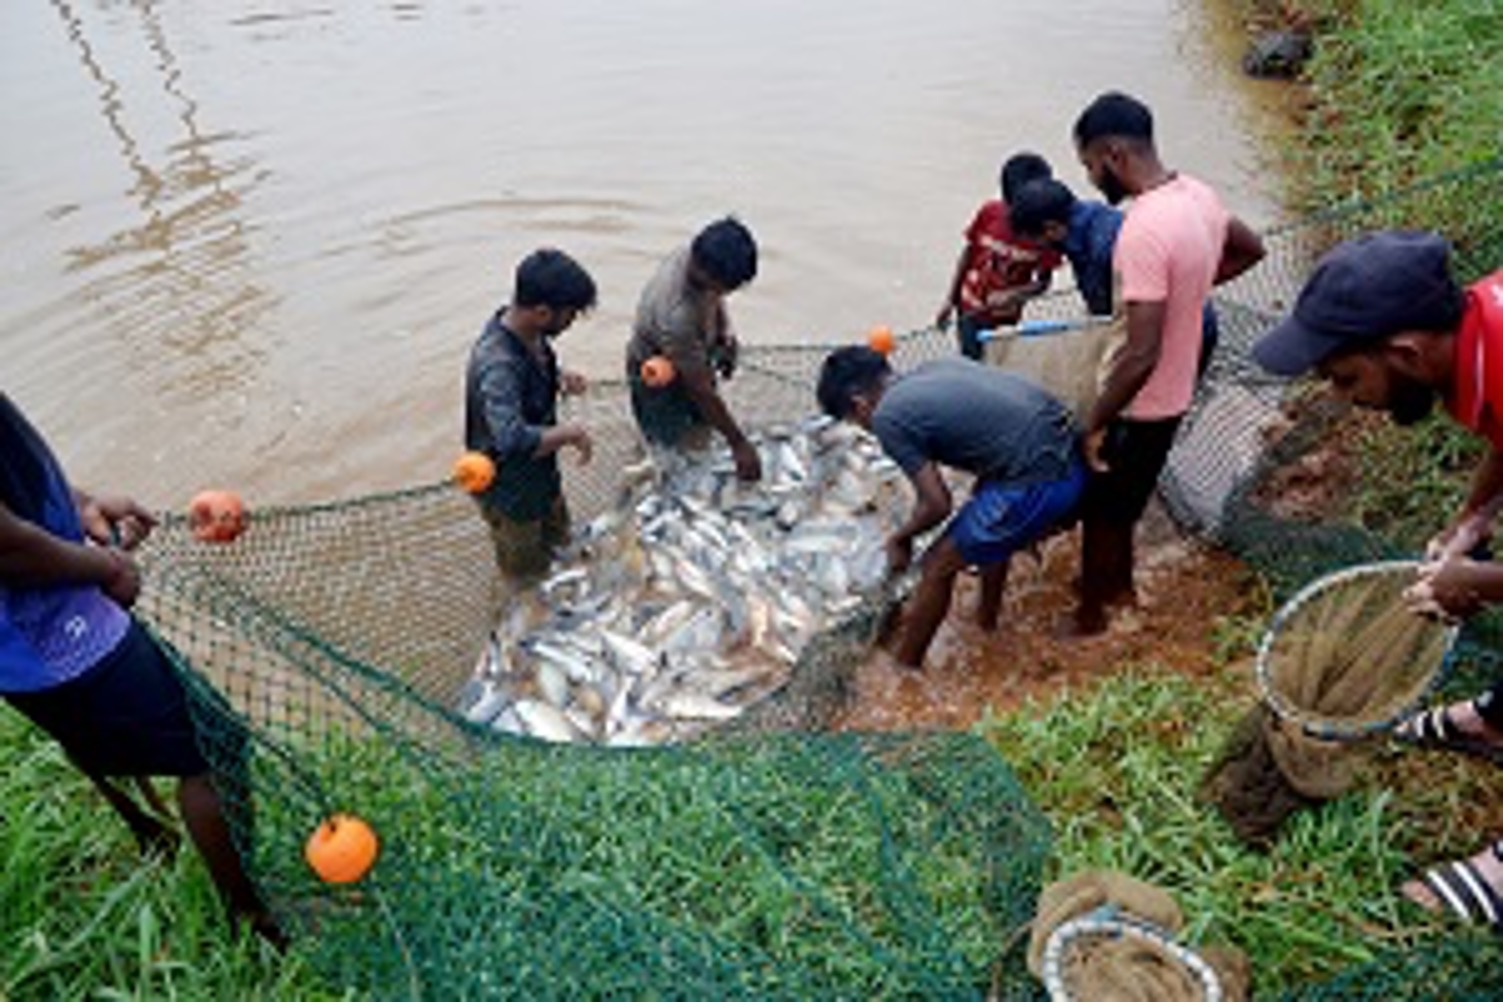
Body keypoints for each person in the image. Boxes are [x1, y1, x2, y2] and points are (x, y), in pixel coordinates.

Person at [1252, 229, 1502, 927]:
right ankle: (1496, 722)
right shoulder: (1470, 334)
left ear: (1406, 354)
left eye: (1344, 379)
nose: (1342, 399)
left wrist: (1477, 583)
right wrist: (1470, 525)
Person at [0, 392, 281, 946]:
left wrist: (80, 504)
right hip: (48, 637)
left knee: (97, 731)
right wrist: (104, 566)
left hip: (46, 630)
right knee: (212, 745)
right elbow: (6, 546)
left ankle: (151, 835)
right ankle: (255, 923)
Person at [1064, 91, 1266, 636]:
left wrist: (1096, 419)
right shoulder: (1197, 195)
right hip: (1178, 392)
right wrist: (1190, 294)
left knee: (1101, 513)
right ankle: (1123, 595)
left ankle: (1090, 623)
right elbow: (1252, 248)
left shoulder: (1143, 230)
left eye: (1088, 165)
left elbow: (1140, 353)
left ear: (1112, 154)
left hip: (1142, 403)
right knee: (1126, 505)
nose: (1090, 181)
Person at [815, 347, 1086, 668]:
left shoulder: (887, 417)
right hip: (1069, 452)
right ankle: (986, 623)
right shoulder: (934, 367)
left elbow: (937, 504)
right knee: (983, 508)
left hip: (1045, 480)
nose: (864, 428)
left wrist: (900, 538)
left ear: (859, 405)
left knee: (937, 565)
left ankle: (905, 669)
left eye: (854, 421)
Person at [465, 248, 597, 585]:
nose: (570, 324)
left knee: (562, 547)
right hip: (510, 492)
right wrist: (569, 434)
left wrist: (558, 375)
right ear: (541, 312)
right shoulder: (497, 364)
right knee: (526, 578)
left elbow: (530, 367)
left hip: (542, 478)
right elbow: (510, 440)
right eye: (569, 316)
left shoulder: (526, 329)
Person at [1009, 176, 1222, 375]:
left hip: (1183, 332)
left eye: (1034, 240)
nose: (1037, 249)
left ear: (1052, 229)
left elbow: (1125, 319)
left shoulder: (1102, 250)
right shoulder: (1088, 218)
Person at [626, 217, 763, 482]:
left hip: (691, 355)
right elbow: (700, 388)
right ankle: (652, 478)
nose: (728, 293)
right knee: (667, 451)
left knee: (701, 431)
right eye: (728, 287)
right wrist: (739, 444)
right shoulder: (676, 314)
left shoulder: (696, 255)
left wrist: (724, 332)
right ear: (709, 276)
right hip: (657, 376)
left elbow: (715, 298)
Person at [936, 152, 1063, 361]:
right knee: (970, 359)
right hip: (968, 308)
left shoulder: (1045, 235)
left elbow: (1043, 283)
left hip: (1004, 321)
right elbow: (968, 252)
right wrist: (949, 300)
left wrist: (1013, 294)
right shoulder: (990, 212)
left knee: (996, 365)